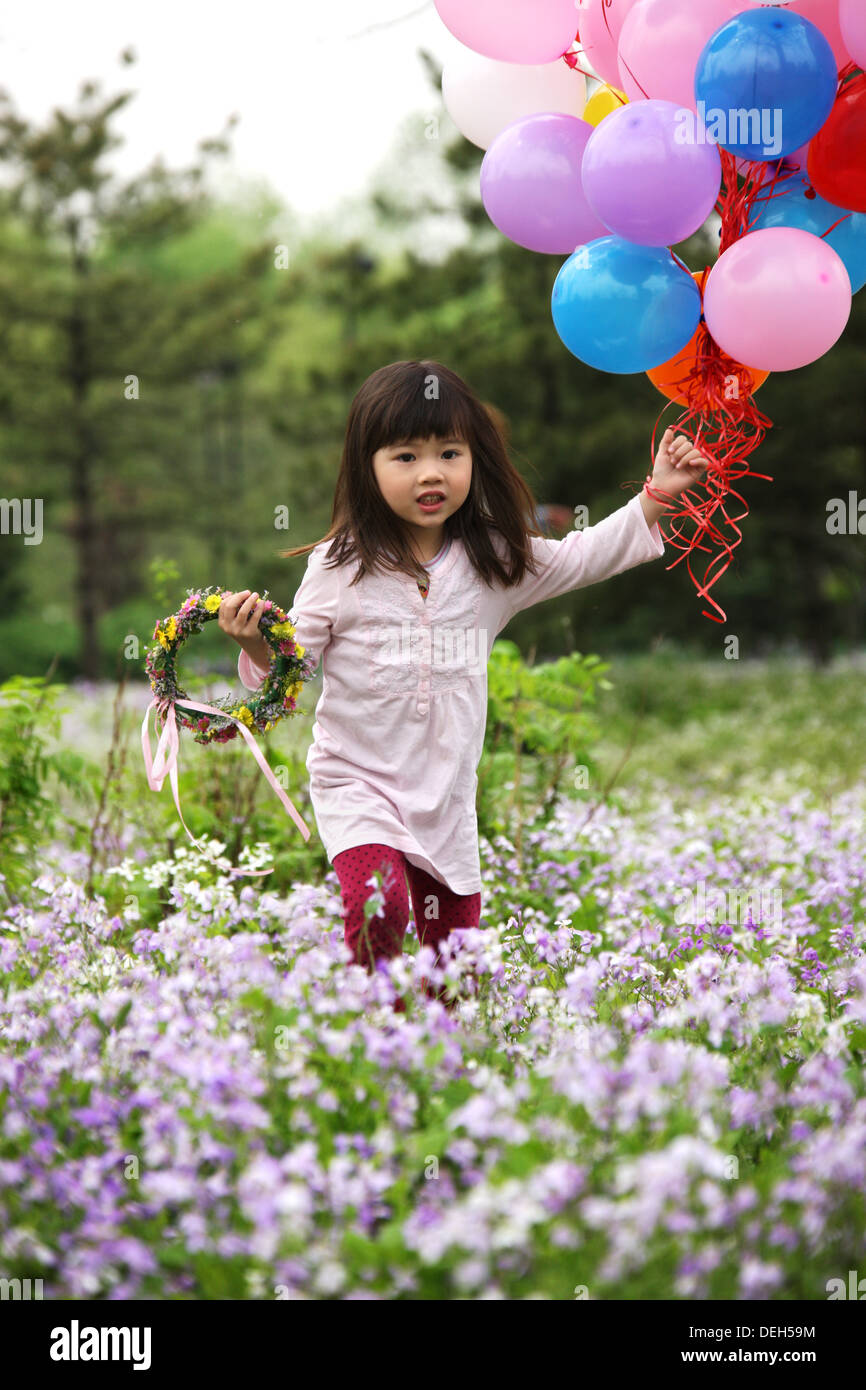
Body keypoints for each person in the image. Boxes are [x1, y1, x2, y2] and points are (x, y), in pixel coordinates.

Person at [219, 359, 707, 1014]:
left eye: (450, 452)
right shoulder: (339, 565)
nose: (431, 473)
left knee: (455, 970)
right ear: (367, 466)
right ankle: (373, 1043)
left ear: (476, 460)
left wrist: (660, 495)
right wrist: (255, 641)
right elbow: (293, 669)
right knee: (378, 904)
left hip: (446, 793)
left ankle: (441, 1071)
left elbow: (586, 553)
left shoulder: (496, 560)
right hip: (355, 782)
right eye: (405, 456)